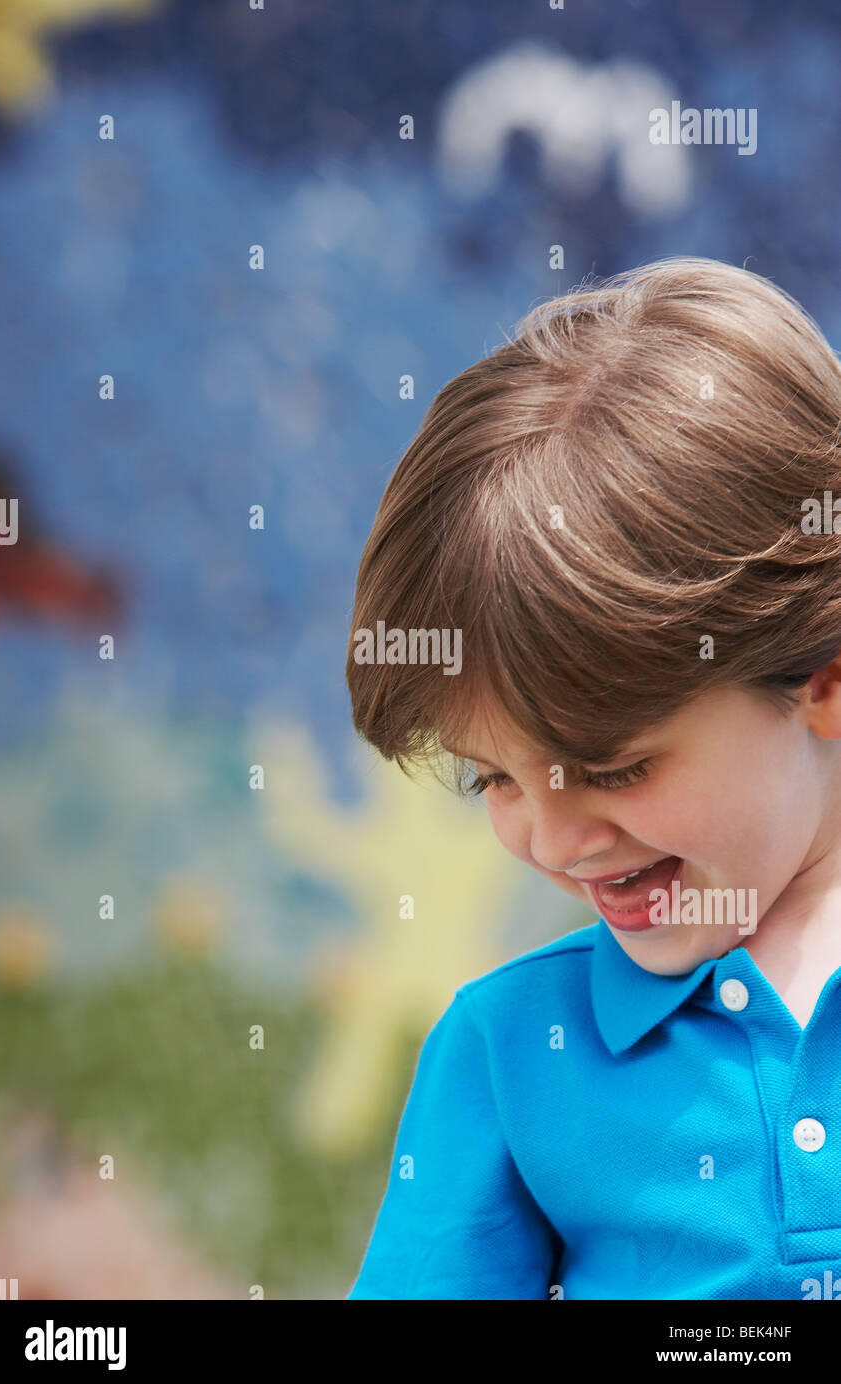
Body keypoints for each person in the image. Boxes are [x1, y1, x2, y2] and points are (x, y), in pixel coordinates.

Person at [343, 257, 841, 1299]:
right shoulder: (507, 1050)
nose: (558, 841)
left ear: (821, 680)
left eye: (613, 765)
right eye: (493, 780)